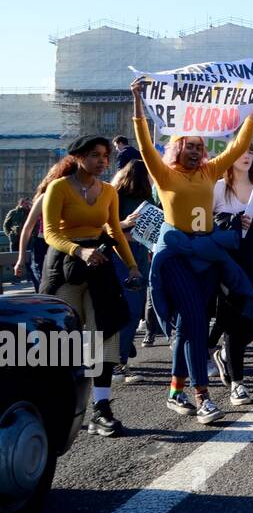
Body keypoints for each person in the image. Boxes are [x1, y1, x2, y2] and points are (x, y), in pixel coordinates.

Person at [131, 76, 253, 426]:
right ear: (176, 148)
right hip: (176, 256)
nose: (194, 150)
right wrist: (138, 102)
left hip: (206, 258)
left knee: (190, 327)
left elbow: (237, 147)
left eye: (198, 146)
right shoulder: (164, 174)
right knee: (196, 321)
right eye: (188, 145)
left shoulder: (209, 171)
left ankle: (176, 391)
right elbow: (145, 147)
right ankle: (203, 397)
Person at [40, 136, 142, 436]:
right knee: (61, 340)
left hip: (100, 267)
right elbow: (49, 233)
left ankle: (101, 409)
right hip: (64, 267)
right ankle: (54, 406)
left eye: (105, 156)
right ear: (79, 157)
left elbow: (114, 231)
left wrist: (133, 265)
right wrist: (79, 250)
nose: (102, 161)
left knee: (105, 335)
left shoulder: (109, 191)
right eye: (95, 155)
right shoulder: (58, 188)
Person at [210, 144, 253, 404]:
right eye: (241, 152)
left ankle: (225, 356)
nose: (246, 156)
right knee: (234, 321)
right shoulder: (216, 188)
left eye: (251, 152)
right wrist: (230, 222)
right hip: (228, 263)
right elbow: (205, 224)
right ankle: (237, 383)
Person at [108, 161, 153, 383]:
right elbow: (106, 229)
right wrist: (126, 225)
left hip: (136, 257)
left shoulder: (144, 198)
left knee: (125, 312)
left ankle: (117, 359)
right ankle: (116, 363)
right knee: (130, 311)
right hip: (124, 257)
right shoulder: (116, 197)